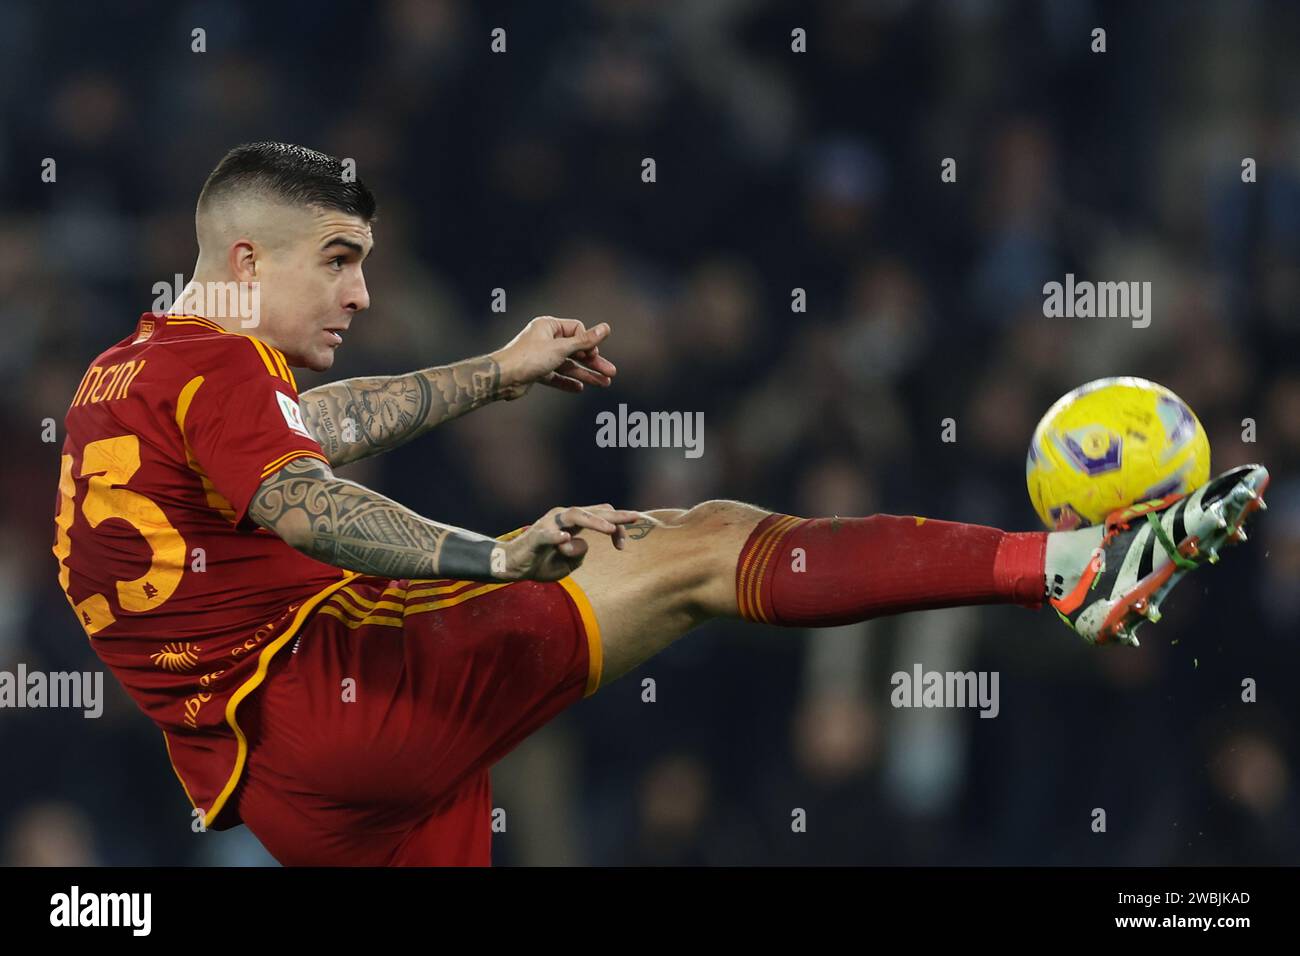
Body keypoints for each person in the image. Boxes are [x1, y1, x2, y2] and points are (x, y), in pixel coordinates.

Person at [52, 142, 1269, 865]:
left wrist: (493, 371)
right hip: (349, 695)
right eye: (337, 257)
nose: (363, 291)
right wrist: (498, 553)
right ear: (248, 262)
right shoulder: (219, 371)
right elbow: (304, 499)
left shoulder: (132, 371)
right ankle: (1062, 566)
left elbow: (318, 428)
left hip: (275, 785)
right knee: (703, 544)